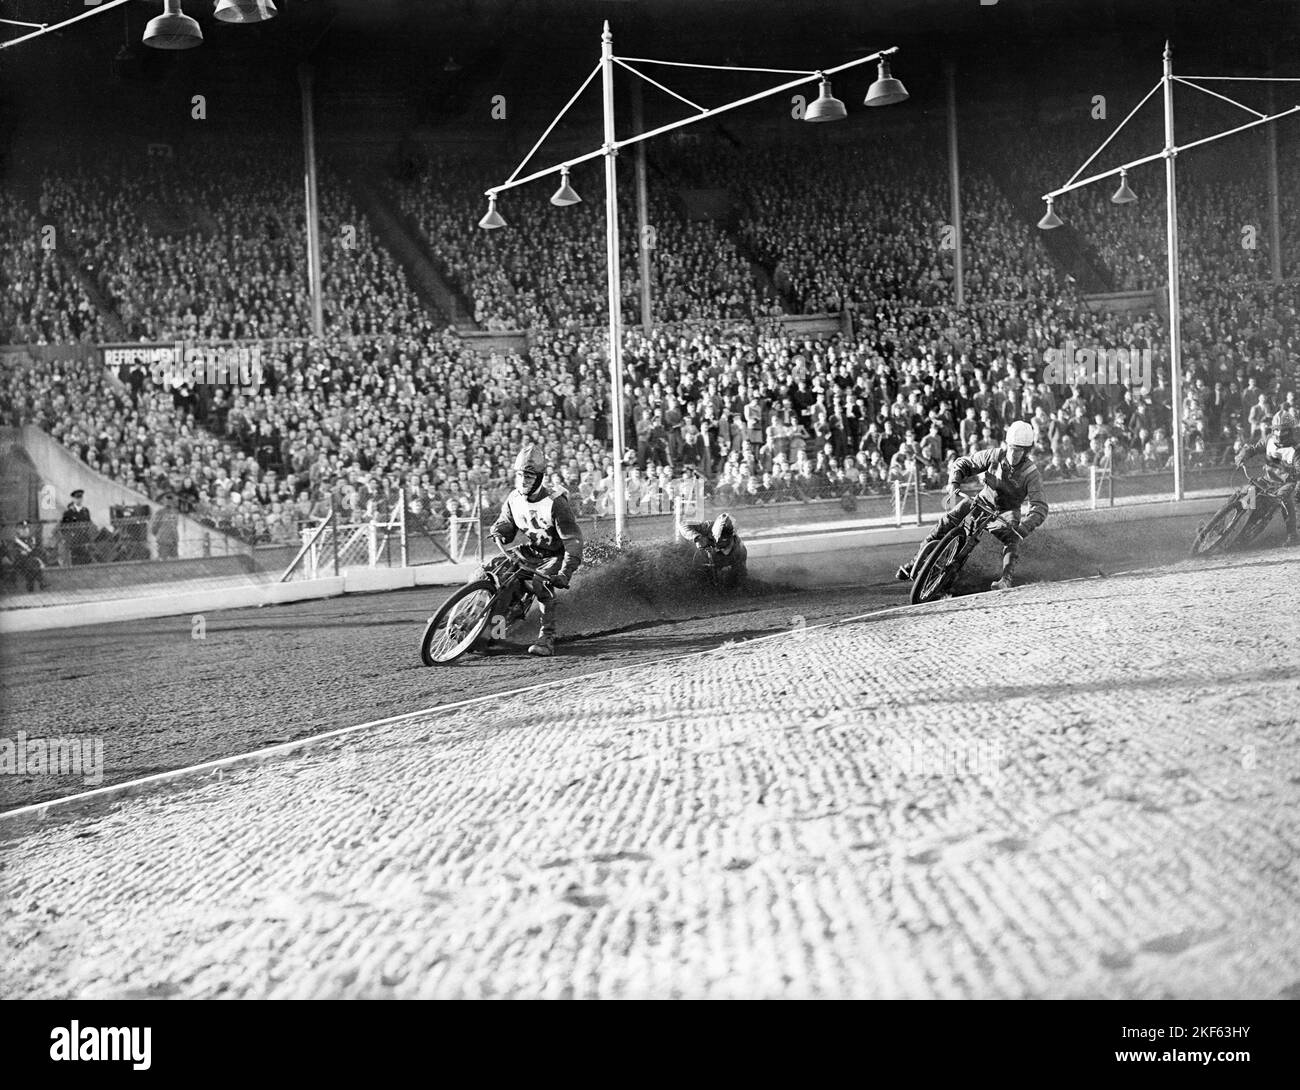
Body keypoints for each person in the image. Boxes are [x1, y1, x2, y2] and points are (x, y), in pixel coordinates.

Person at [896, 419, 1049, 591]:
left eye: (1019, 451)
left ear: (1027, 451)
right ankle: (915, 561)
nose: (1014, 454)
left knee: (1013, 538)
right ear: (1007, 445)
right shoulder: (995, 455)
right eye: (1012, 448)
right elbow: (965, 463)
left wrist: (1024, 528)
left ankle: (1006, 579)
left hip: (1006, 512)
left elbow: (1040, 507)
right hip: (981, 500)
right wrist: (954, 481)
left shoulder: (1031, 473)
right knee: (945, 523)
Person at [489, 443, 584, 657]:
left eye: (530, 477)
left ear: (540, 478)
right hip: (531, 550)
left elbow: (573, 541)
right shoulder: (514, 497)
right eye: (521, 475)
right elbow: (507, 522)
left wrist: (564, 573)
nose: (524, 481)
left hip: (554, 556)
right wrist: (500, 532)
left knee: (541, 585)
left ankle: (546, 638)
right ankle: (471, 623)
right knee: (491, 571)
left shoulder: (556, 503)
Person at [1235, 409, 1299, 546]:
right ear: (1273, 429)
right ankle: (1226, 520)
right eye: (1276, 430)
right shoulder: (1269, 440)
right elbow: (1253, 448)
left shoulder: (1296, 450)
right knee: (1245, 493)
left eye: (1284, 430)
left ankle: (1292, 535)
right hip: (1267, 479)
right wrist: (1243, 455)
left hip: (1286, 483)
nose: (1279, 433)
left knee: (1284, 500)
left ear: (1290, 431)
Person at [676, 511, 748, 589]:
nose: (719, 542)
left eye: (723, 540)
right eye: (718, 537)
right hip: (699, 558)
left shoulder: (739, 550)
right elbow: (683, 524)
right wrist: (697, 537)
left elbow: (742, 574)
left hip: (720, 565)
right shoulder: (707, 526)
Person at [59, 488, 93, 565]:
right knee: (76, 560)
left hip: (84, 539)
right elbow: (63, 527)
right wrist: (69, 536)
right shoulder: (69, 513)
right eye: (77, 498)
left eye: (80, 497)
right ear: (74, 499)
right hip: (74, 540)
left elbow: (88, 523)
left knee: (87, 560)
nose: (79, 500)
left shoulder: (85, 511)